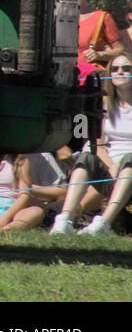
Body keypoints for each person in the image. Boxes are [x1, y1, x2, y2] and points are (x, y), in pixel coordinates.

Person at [51, 51, 132, 235]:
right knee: (87, 157)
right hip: (110, 169)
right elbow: (98, 143)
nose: (120, 72)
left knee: (130, 160)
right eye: (115, 69)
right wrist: (111, 166)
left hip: (130, 169)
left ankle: (104, 223)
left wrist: (121, 165)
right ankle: (65, 219)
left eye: (126, 68)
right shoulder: (104, 105)